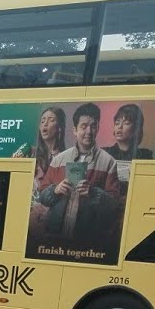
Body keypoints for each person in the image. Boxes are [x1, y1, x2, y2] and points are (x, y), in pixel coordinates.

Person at [34, 103, 120, 247]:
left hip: (87, 242)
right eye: (84, 126)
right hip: (52, 237)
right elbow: (42, 195)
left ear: (98, 128)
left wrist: (93, 193)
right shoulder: (59, 159)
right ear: (75, 130)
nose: (89, 131)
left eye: (93, 126)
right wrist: (55, 190)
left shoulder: (108, 162)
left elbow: (114, 205)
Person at [103, 104, 152, 196]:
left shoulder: (145, 156)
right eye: (117, 123)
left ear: (136, 128)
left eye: (126, 123)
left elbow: (147, 188)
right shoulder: (105, 153)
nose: (120, 127)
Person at [14, 106, 67, 190]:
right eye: (42, 121)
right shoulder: (28, 150)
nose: (45, 123)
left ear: (59, 128)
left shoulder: (65, 157)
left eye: (51, 120)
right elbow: (10, 171)